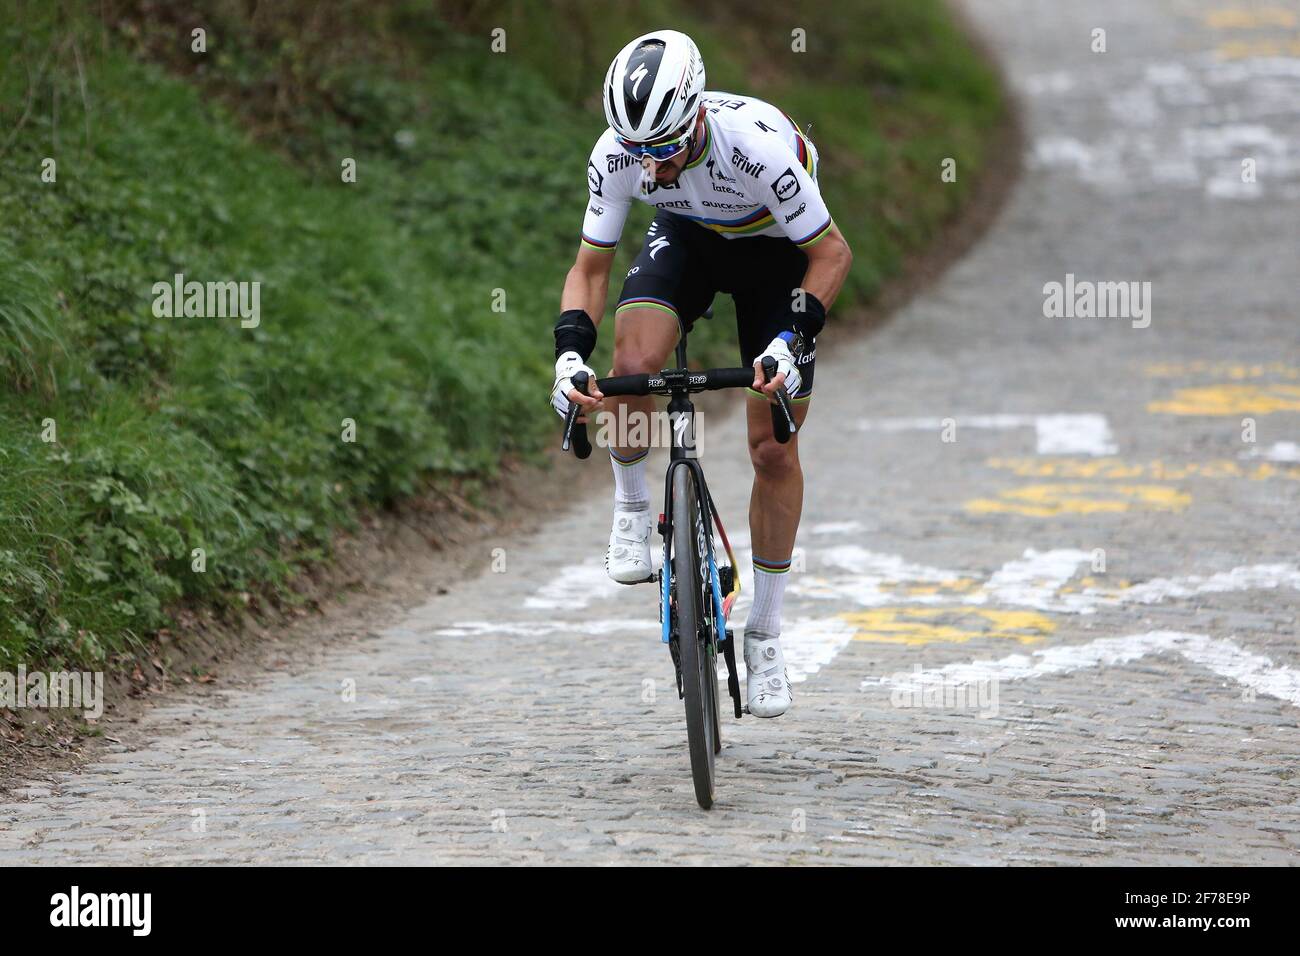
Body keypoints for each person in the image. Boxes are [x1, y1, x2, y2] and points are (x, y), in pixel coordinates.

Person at [549, 29, 853, 718]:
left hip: (780, 255)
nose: (647, 168)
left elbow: (832, 254)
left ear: (694, 122)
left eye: (661, 151)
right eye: (635, 152)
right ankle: (631, 509)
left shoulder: (757, 151)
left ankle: (766, 635)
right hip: (689, 239)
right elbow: (589, 269)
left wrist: (792, 339)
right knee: (630, 366)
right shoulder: (622, 152)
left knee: (772, 446)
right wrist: (570, 352)